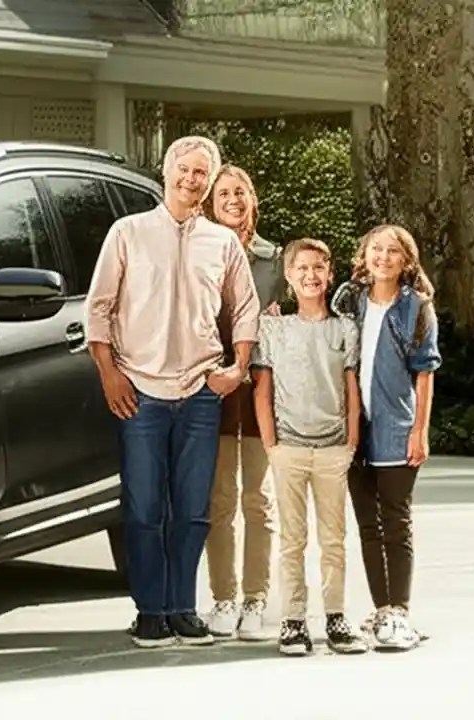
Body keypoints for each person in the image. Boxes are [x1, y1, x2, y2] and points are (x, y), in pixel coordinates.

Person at [85, 136, 261, 649]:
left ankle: (183, 608)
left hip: (201, 392)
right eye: (184, 170)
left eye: (201, 173)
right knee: (143, 508)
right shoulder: (129, 233)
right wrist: (109, 373)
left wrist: (238, 367)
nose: (192, 180)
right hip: (139, 390)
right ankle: (149, 611)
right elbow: (98, 308)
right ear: (166, 173)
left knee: (192, 508)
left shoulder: (222, 243)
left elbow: (245, 307)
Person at [250, 238, 367, 656]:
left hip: (334, 448)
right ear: (288, 275)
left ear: (329, 273)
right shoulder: (274, 328)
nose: (310, 276)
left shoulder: (344, 328)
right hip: (289, 449)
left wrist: (351, 441)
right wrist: (271, 444)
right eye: (301, 268)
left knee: (333, 538)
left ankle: (335, 616)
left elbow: (351, 386)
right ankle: (293, 620)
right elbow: (262, 390)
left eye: (318, 268)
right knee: (292, 539)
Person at [339, 224, 441, 651]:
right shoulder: (349, 301)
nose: (383, 257)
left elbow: (424, 374)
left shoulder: (416, 308)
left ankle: (399, 611)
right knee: (367, 525)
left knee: (395, 522)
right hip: (353, 431)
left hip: (396, 428)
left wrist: (419, 431)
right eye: (375, 249)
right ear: (364, 255)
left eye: (392, 251)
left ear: (406, 261)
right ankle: (381, 610)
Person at [201, 164, 285, 641]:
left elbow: (296, 320)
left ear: (253, 199)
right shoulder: (198, 251)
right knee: (219, 499)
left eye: (240, 192)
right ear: (211, 204)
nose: (232, 200)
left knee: (258, 498)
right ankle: (224, 598)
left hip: (260, 389)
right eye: (223, 193)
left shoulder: (274, 259)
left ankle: (256, 599)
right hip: (213, 386)